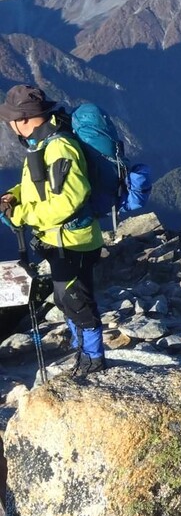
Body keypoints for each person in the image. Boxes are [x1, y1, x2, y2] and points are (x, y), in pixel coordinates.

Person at [0, 84, 105, 375]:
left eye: (10, 120)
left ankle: (93, 358)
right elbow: (39, 186)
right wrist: (14, 196)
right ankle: (82, 348)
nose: (9, 126)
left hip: (74, 241)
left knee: (75, 298)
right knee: (64, 297)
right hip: (60, 239)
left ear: (23, 119)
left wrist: (23, 215)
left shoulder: (59, 147)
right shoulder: (42, 144)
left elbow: (70, 199)